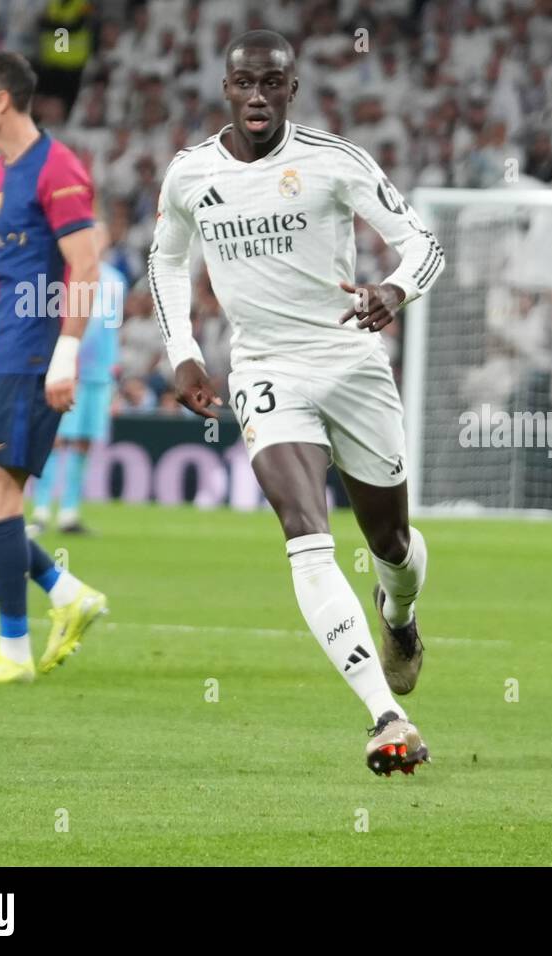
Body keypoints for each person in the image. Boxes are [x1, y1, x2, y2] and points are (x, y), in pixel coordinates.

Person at [147, 31, 443, 776]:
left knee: (392, 546)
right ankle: (387, 717)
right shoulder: (190, 175)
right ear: (226, 88)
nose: (257, 96)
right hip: (265, 369)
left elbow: (423, 243)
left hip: (350, 363)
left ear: (291, 90)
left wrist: (393, 290)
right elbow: (167, 256)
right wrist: (182, 348)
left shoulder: (333, 161)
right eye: (244, 82)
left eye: (271, 84)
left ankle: (399, 615)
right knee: (304, 532)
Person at [0, 52, 108, 685]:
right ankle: (66, 593)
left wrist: (65, 356)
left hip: (33, 355)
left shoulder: (57, 168)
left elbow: (85, 268)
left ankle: (12, 651)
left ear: (0, 100)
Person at [31, 222, 124, 535]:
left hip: (98, 376)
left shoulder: (115, 281)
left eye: (101, 235)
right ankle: (41, 510)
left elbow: (111, 332)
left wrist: (114, 378)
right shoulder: (65, 275)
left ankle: (69, 512)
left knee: (83, 441)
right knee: (56, 440)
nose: (96, 241)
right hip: (67, 371)